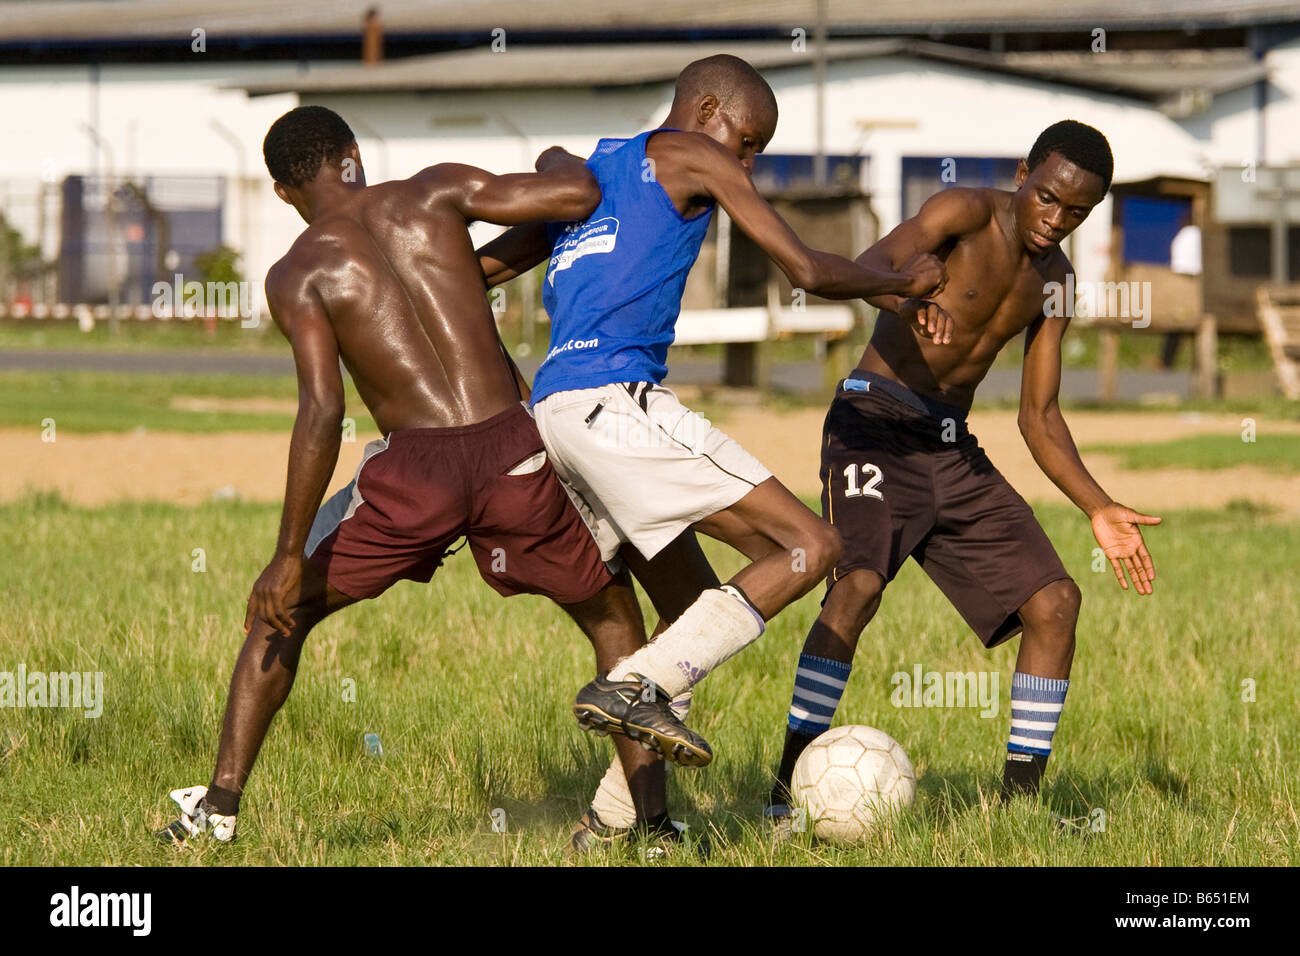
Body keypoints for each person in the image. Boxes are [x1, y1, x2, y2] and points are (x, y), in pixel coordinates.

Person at [158, 105, 704, 847]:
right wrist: (551, 156)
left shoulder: (297, 272)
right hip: (515, 450)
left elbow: (322, 413)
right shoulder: (434, 190)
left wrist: (287, 557)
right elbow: (578, 197)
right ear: (354, 153)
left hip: (414, 472)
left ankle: (217, 810)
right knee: (613, 619)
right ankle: (655, 824)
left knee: (279, 612)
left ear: (285, 194)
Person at [476, 55, 944, 848]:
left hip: (555, 417)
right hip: (616, 405)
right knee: (810, 544)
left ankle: (619, 826)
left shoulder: (588, 177)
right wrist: (897, 283)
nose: (747, 163)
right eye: (748, 141)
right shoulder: (690, 152)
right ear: (706, 109)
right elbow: (800, 266)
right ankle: (639, 686)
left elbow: (469, 272)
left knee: (692, 618)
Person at [767, 120, 1162, 823]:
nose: (1055, 220)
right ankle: (781, 795)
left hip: (949, 446)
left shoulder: (1056, 282)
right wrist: (907, 297)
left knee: (1056, 604)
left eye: (1077, 213)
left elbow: (1038, 416)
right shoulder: (961, 212)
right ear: (1024, 173)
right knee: (856, 585)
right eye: (1047, 198)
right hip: (872, 426)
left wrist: (1098, 507)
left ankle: (1018, 811)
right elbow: (869, 264)